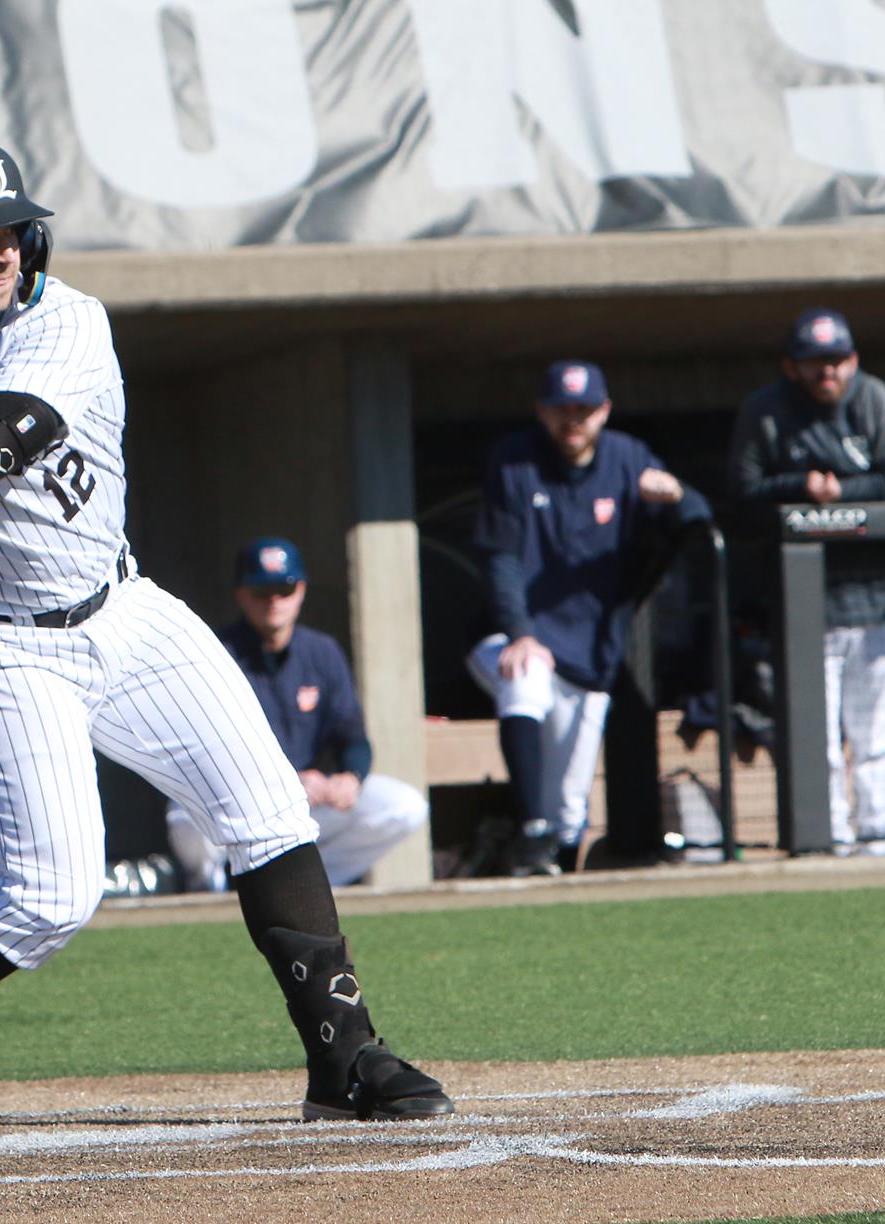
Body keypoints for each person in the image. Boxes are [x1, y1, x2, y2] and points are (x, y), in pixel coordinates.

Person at [0, 137, 452, 1137]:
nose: (0, 249)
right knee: (47, 898)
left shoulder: (67, 321)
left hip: (119, 610)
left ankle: (343, 1056)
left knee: (266, 807)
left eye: (5, 228)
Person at [469, 360, 710, 876]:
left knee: (571, 805)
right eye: (561, 409)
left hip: (590, 650)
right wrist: (520, 631)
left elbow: (698, 520)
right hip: (514, 639)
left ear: (603, 410)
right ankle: (530, 827)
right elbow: (501, 559)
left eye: (583, 409)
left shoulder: (626, 459)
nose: (572, 420)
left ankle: (548, 871)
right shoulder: (514, 463)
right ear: (542, 411)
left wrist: (676, 495)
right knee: (525, 679)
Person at [165, 537, 428, 892]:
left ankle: (306, 886)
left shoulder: (321, 652)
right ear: (241, 595)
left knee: (404, 806)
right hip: (235, 797)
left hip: (302, 800)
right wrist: (286, 780)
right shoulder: (216, 653)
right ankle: (213, 887)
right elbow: (201, 747)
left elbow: (352, 737)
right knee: (182, 815)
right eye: (261, 591)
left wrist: (350, 776)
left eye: (284, 589)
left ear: (301, 590)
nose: (274, 601)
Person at [729, 308, 885, 851]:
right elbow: (743, 495)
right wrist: (799, 486)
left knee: (875, 735)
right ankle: (827, 838)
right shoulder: (766, 411)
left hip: (874, 601)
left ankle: (876, 835)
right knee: (815, 735)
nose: (828, 374)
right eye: (815, 364)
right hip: (802, 607)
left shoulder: (873, 401)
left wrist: (845, 494)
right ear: (791, 366)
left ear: (853, 360)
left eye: (837, 362)